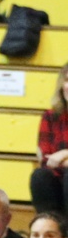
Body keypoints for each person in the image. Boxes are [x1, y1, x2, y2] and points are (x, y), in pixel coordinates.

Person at [29, 64, 68, 216]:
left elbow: (55, 159)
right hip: (57, 183)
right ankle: (51, 229)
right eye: (66, 80)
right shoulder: (50, 116)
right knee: (39, 176)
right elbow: (46, 160)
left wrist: (63, 153)